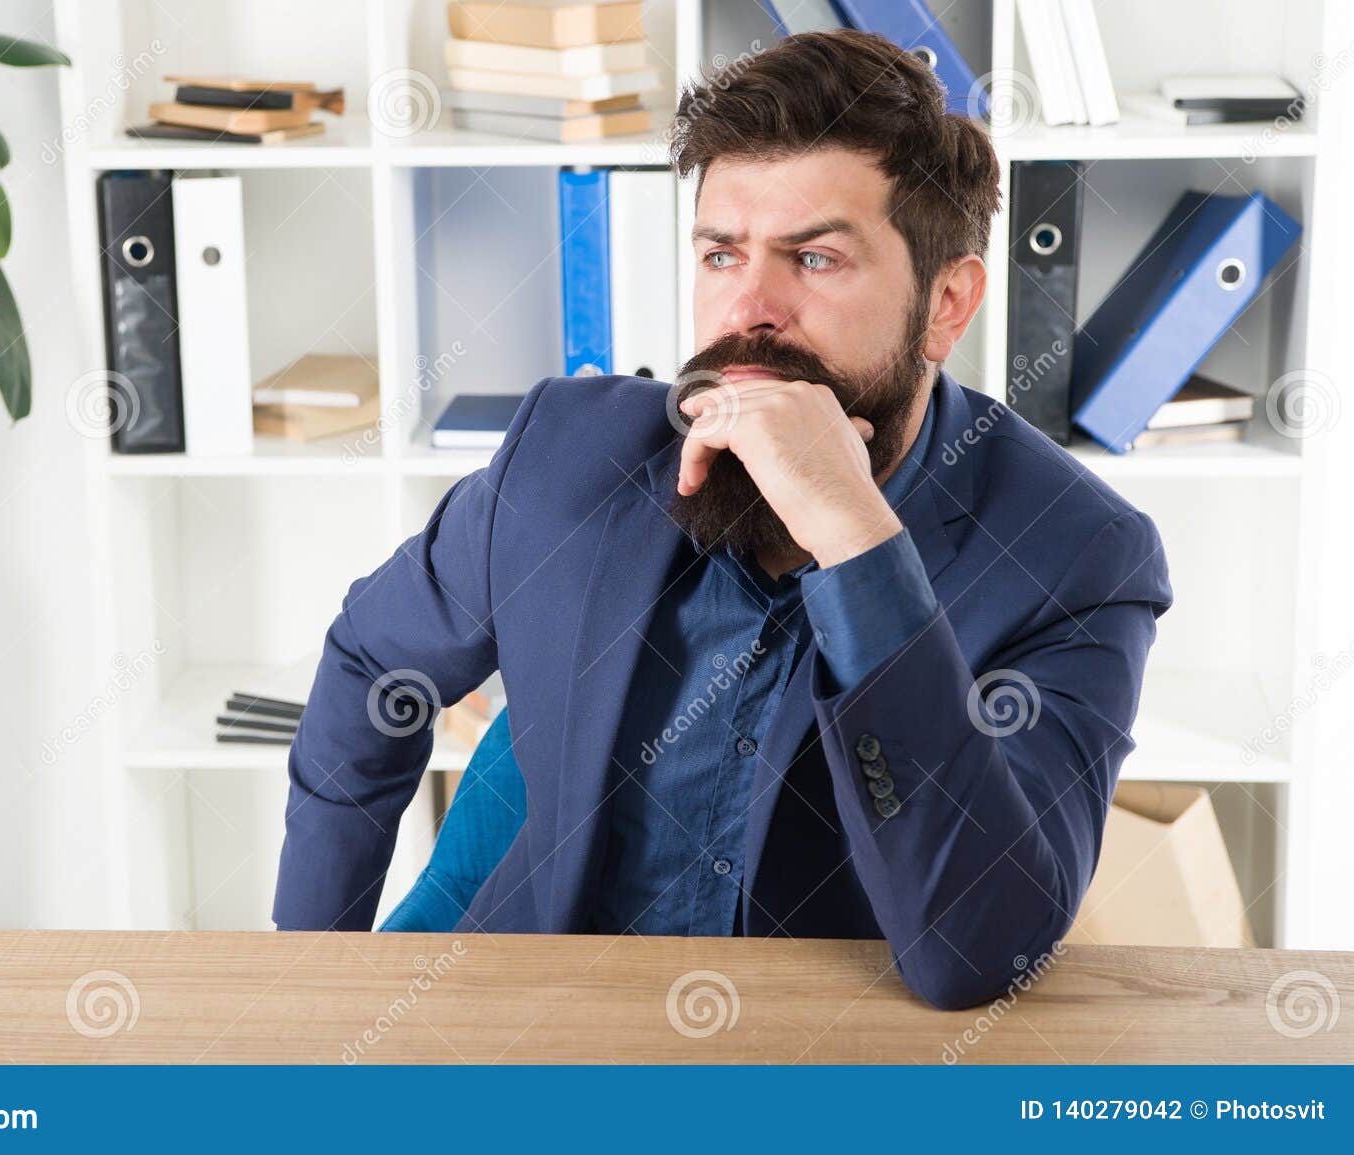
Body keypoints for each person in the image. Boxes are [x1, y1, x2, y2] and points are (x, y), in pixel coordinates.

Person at [275, 29, 1173, 1010]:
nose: (750, 308)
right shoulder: (572, 455)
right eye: (720, 252)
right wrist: (317, 969)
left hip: (817, 1057)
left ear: (945, 304)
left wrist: (852, 536)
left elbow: (979, 953)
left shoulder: (1075, 556)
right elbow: (373, 668)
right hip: (538, 1014)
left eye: (816, 258)